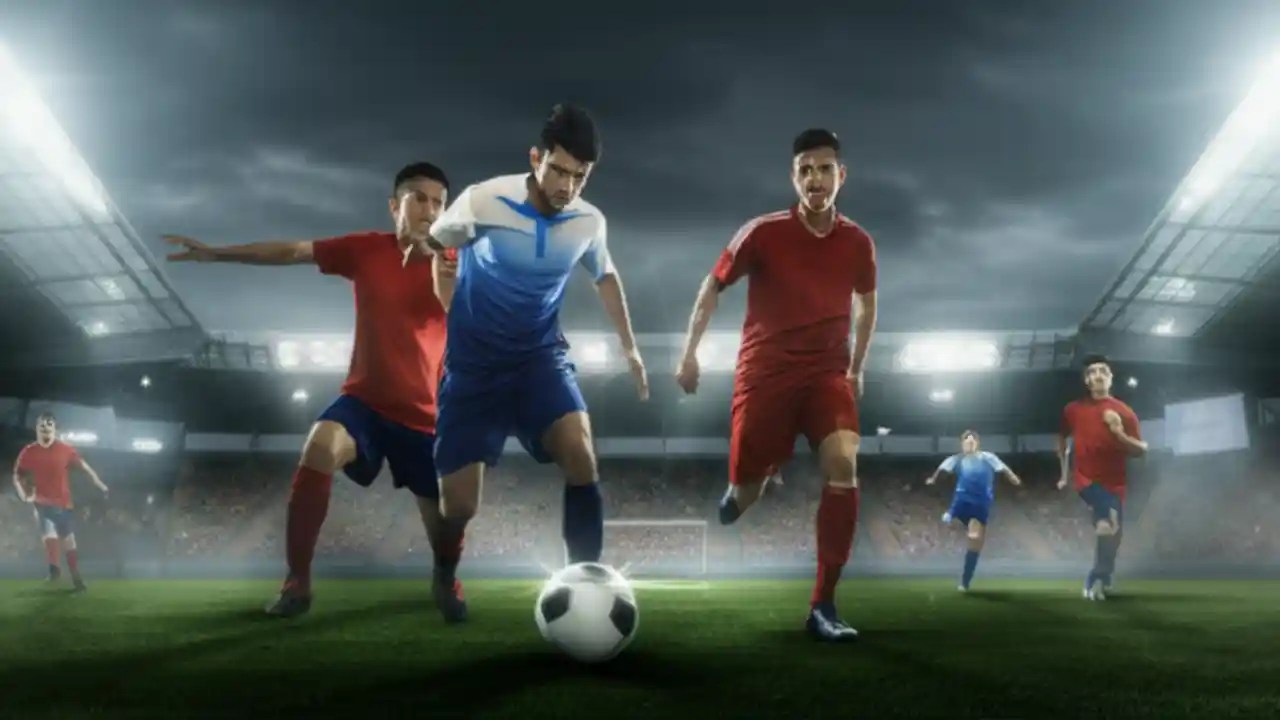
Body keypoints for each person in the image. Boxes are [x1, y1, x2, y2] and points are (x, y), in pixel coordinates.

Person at [164, 162, 464, 620]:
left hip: (424, 415)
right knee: (319, 448)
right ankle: (297, 584)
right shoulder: (366, 249)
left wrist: (440, 267)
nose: (429, 209)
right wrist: (217, 254)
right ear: (394, 205)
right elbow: (293, 252)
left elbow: (468, 321)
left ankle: (446, 578)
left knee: (443, 526)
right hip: (364, 400)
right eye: (419, 198)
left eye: (439, 202)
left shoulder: (455, 262)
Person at [403, 104, 648, 617]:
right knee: (459, 507)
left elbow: (605, 277)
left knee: (581, 455)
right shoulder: (484, 199)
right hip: (473, 371)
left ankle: (588, 592)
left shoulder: (588, 222)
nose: (567, 186)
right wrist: (436, 276)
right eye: (558, 170)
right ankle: (445, 573)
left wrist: (630, 349)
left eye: (579, 177)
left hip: (539, 361)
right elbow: (440, 245)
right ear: (535, 158)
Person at [675, 128, 877, 642]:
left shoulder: (857, 242)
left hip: (826, 372)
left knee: (844, 463)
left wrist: (856, 366)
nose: (815, 178)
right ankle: (748, 485)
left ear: (841, 175)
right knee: (745, 493)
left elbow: (867, 301)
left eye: (825, 168)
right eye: (805, 169)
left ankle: (823, 606)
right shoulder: (761, 233)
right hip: (765, 374)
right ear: (794, 177)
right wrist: (690, 353)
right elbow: (711, 285)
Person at [1057, 353, 1147, 601]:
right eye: (1092, 372)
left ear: (1110, 378)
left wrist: (1118, 433)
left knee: (1114, 532)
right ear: (1087, 380)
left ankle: (1105, 576)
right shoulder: (1073, 410)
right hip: (1086, 479)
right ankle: (1095, 578)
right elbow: (1062, 439)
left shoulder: (1124, 413)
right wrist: (1063, 473)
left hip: (1116, 482)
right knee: (1106, 523)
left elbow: (1141, 450)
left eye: (1103, 371)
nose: (1098, 375)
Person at [12, 411, 109, 592]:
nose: (46, 429)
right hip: (41, 501)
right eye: (42, 426)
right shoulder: (28, 452)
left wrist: (100, 484)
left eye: (49, 425)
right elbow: (17, 476)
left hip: (64, 504)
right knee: (48, 532)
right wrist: (24, 494)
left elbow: (85, 468)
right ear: (37, 430)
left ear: (55, 429)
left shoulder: (65, 450)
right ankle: (54, 568)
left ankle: (74, 576)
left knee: (69, 542)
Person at [925, 430, 1022, 592]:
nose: (969, 444)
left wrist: (1012, 476)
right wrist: (933, 479)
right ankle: (952, 515)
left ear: (977, 443)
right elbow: (941, 469)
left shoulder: (987, 457)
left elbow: (1002, 467)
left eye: (972, 442)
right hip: (962, 500)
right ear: (962, 444)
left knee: (976, 542)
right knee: (958, 524)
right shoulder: (956, 459)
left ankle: (965, 581)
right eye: (966, 442)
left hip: (981, 503)